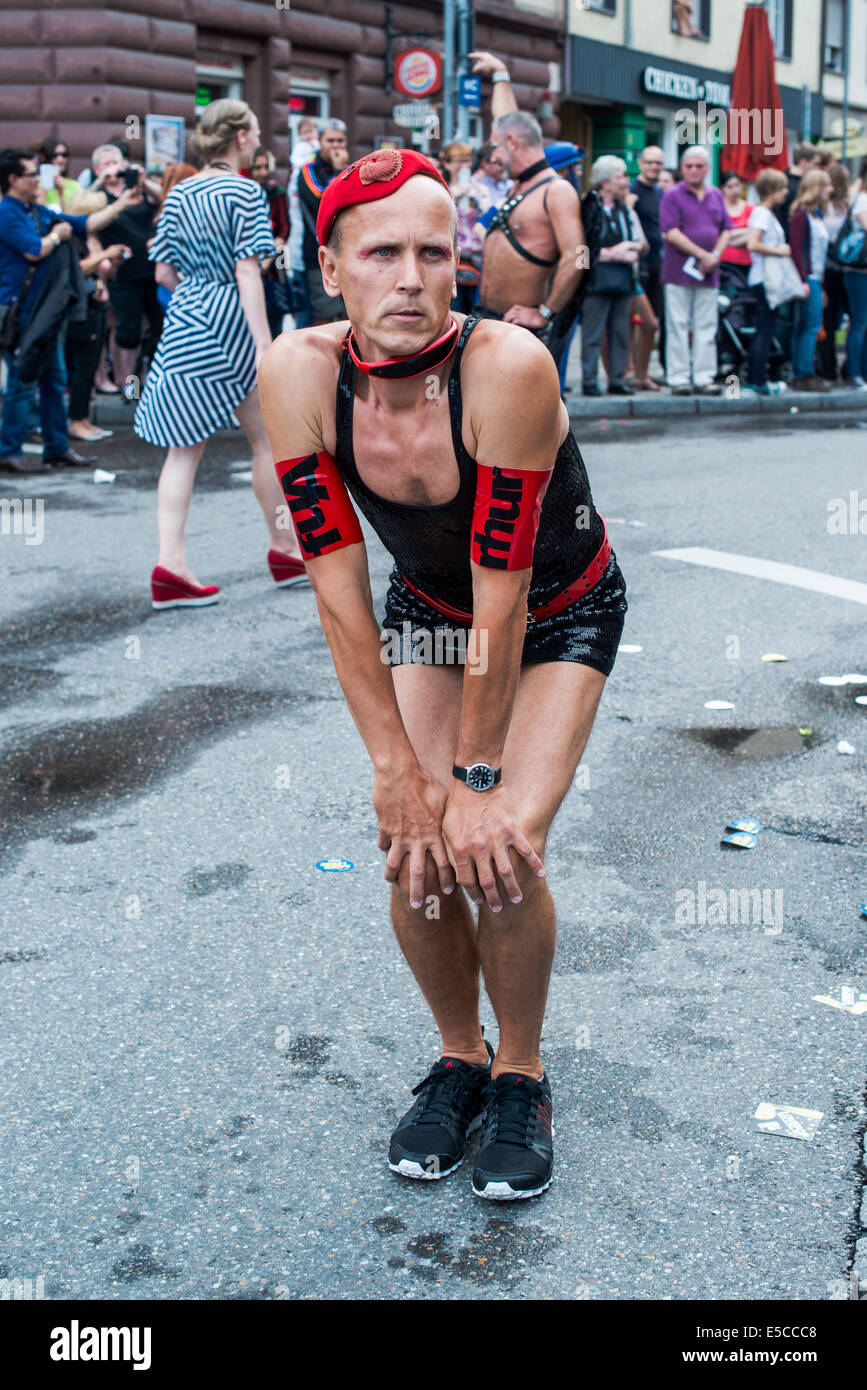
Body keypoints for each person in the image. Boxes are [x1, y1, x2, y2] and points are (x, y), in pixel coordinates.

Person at [259, 148, 627, 1202]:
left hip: (559, 609)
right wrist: (395, 773)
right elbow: (338, 590)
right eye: (382, 253)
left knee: (496, 841)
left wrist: (472, 781)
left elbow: (506, 596)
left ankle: (522, 1072)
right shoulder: (296, 375)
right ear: (332, 267)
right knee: (413, 847)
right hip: (429, 614)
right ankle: (459, 1057)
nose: (413, 278)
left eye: (436, 251)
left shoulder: (506, 367)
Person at [133, 99, 306, 608]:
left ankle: (172, 564)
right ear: (240, 137)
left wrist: (196, 288)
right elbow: (249, 270)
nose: (257, 139)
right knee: (266, 440)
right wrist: (262, 344)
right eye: (254, 130)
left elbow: (163, 272)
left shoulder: (181, 191)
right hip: (232, 318)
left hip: (187, 318)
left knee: (182, 451)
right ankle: (283, 548)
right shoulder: (245, 191)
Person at [0, 147, 137, 474]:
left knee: (54, 379)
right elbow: (34, 251)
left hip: (47, 313)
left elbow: (85, 222)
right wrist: (55, 235)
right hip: (21, 314)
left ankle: (57, 448)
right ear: (13, 179)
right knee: (21, 382)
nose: (39, 179)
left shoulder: (37, 210)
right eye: (33, 174)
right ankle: (9, 451)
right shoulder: (7, 212)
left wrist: (121, 203)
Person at [474, 100, 585, 366]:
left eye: (495, 145)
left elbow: (579, 257)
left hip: (522, 332)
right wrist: (500, 73)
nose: (493, 157)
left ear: (511, 141)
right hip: (489, 320)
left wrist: (545, 313)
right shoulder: (519, 186)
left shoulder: (556, 191)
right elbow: (510, 115)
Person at [91, 145, 163, 400]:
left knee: (155, 327)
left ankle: (151, 383)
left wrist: (141, 179)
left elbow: (164, 196)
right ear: (97, 168)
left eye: (116, 163)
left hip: (151, 271)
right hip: (122, 273)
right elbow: (82, 212)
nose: (113, 168)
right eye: (106, 164)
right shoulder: (99, 195)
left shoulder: (138, 189)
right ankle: (127, 385)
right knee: (127, 330)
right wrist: (101, 181)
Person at [660, 145, 731, 395]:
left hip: (708, 271)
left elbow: (726, 229)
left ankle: (704, 377)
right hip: (679, 269)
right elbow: (671, 232)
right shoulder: (672, 195)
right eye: (689, 166)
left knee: (707, 325)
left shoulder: (715, 195)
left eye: (699, 166)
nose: (693, 170)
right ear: (682, 168)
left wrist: (715, 256)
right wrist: (703, 255)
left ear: (707, 169)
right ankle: (678, 378)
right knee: (677, 324)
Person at [64, 188, 129, 443]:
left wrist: (114, 261)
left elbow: (103, 274)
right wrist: (105, 255)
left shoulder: (94, 239)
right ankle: (76, 421)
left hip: (99, 304)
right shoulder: (75, 239)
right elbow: (77, 270)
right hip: (83, 309)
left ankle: (84, 420)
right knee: (83, 368)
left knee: (90, 366)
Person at [580, 157, 643, 397]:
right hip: (596, 281)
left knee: (620, 332)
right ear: (605, 181)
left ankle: (617, 380)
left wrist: (631, 248)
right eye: (620, 176)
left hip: (623, 280)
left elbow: (641, 244)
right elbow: (580, 250)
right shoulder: (587, 206)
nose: (624, 181)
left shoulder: (624, 209)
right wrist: (611, 254)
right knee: (593, 334)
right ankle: (589, 380)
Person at [743, 168, 793, 397]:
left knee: (764, 329)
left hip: (763, 277)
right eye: (782, 188)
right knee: (764, 329)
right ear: (772, 190)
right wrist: (778, 250)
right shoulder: (763, 214)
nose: (786, 192)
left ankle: (758, 379)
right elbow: (753, 244)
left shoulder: (764, 213)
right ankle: (758, 380)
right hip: (764, 278)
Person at [297, 120, 349, 325]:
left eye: (340, 141)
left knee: (350, 312)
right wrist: (338, 172)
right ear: (319, 142)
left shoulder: (352, 169)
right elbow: (322, 201)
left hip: (349, 251)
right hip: (319, 253)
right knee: (324, 314)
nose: (336, 145)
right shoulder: (307, 170)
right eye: (330, 140)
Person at [788, 169, 833, 392]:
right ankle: (804, 372)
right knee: (810, 325)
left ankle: (802, 370)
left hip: (815, 278)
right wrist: (804, 280)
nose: (830, 190)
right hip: (808, 279)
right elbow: (797, 250)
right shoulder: (802, 215)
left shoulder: (815, 215)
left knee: (807, 325)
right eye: (826, 185)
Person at [629, 146, 665, 389]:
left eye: (658, 163)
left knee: (653, 321)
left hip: (658, 263)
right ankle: (630, 371)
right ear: (641, 163)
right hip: (636, 265)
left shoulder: (661, 193)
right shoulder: (632, 191)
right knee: (636, 320)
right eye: (650, 162)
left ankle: (643, 371)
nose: (654, 167)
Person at [249, 146, 291, 339]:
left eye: (265, 167)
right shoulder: (242, 193)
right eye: (257, 167)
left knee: (274, 327)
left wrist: (268, 259)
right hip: (246, 269)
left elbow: (284, 228)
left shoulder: (276, 193)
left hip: (272, 272)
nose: (263, 172)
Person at [818, 163, 851, 383]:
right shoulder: (851, 204)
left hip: (827, 269)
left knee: (827, 322)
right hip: (848, 268)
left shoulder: (822, 208)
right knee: (856, 320)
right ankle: (851, 368)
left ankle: (828, 369)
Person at [441, 141, 482, 314]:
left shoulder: (480, 188)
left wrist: (479, 202)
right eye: (458, 161)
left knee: (478, 315)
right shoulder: (442, 189)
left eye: (467, 160)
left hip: (479, 260)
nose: (463, 165)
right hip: (453, 259)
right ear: (447, 163)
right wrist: (453, 198)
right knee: (454, 313)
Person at [841, 176, 867, 389]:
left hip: (861, 272)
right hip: (858, 271)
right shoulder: (863, 200)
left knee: (862, 323)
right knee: (858, 322)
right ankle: (854, 372)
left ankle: (861, 371)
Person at [778, 142, 820, 235]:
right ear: (804, 162)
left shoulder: (782, 179)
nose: (817, 168)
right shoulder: (789, 185)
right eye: (815, 164)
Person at [468, 140, 510, 219]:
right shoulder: (473, 185)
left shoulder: (509, 183)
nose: (503, 168)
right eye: (499, 164)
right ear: (485, 164)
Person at [38, 136, 81, 213]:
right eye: (54, 155)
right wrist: (45, 187)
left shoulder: (74, 185)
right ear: (45, 157)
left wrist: (61, 194)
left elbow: (72, 217)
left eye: (64, 154)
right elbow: (33, 215)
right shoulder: (35, 184)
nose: (60, 159)